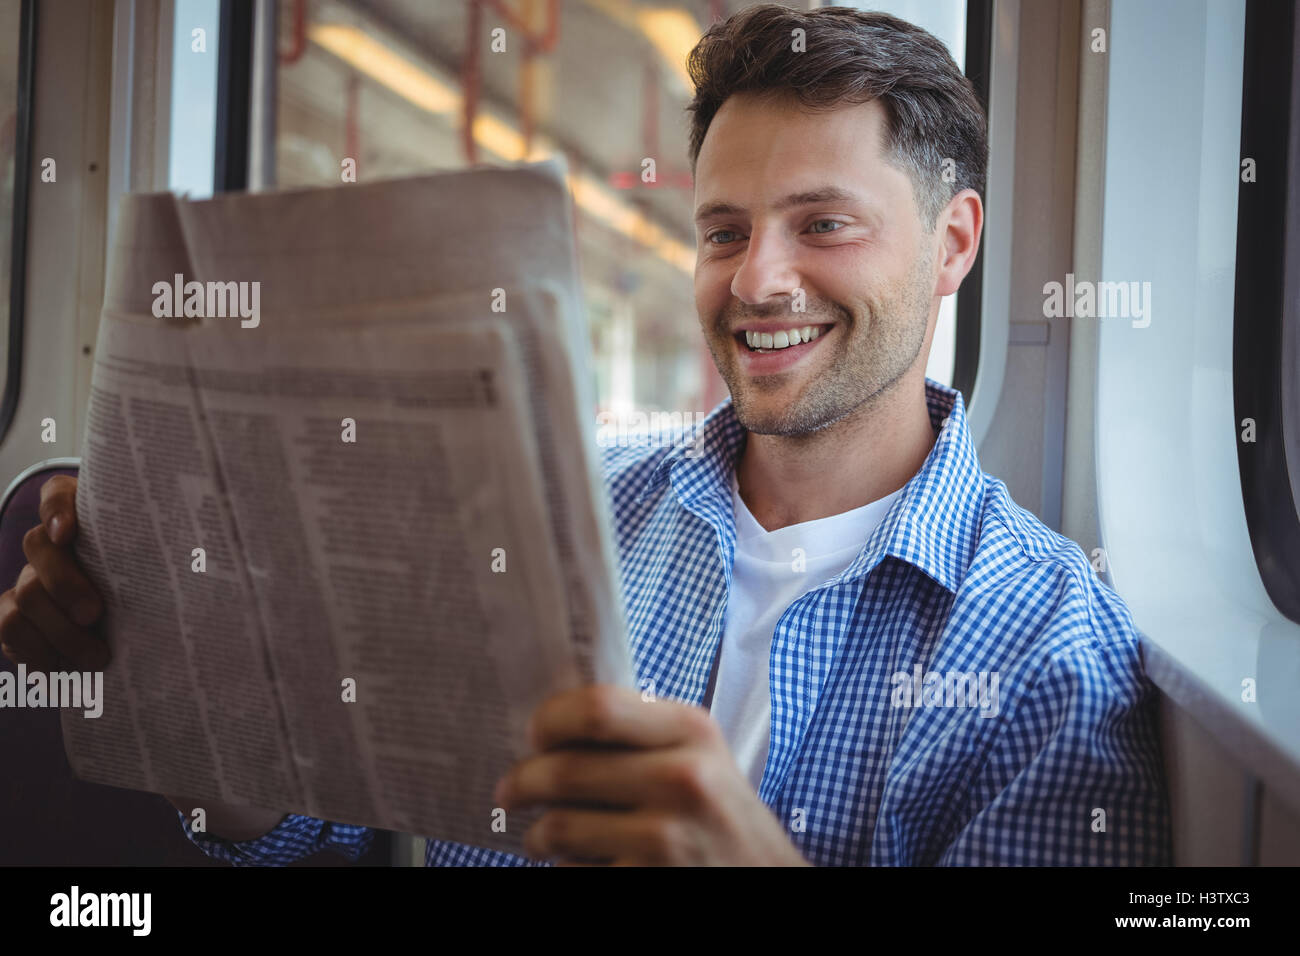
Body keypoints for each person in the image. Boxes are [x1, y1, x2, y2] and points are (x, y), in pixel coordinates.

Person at [0, 5, 1170, 866]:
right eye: (723, 231)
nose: (759, 280)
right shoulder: (559, 512)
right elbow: (304, 826)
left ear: (953, 243)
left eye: (822, 224)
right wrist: (169, 662)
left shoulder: (1050, 652)